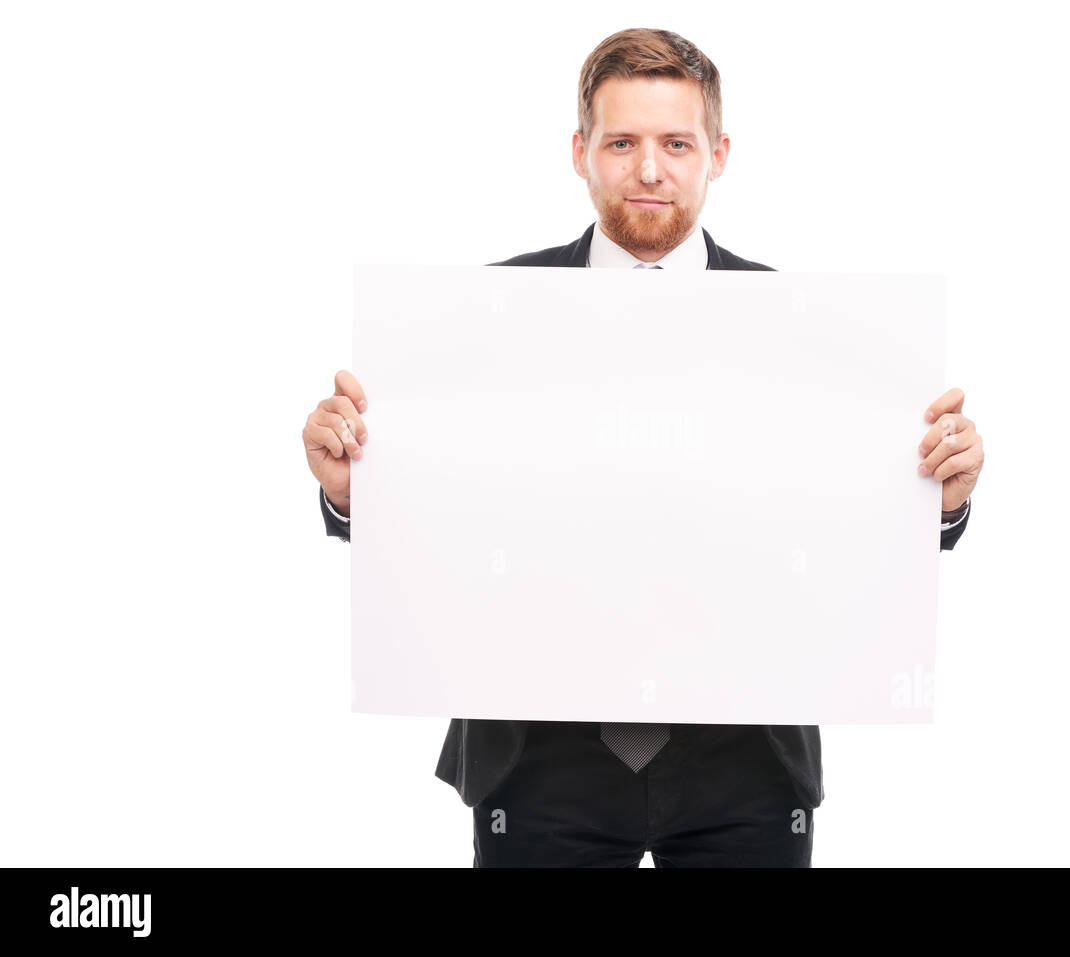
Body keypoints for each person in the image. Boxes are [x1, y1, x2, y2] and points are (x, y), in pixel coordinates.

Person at [301, 27, 985, 867]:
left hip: (746, 758)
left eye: (675, 143)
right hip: (540, 754)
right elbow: (435, 517)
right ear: (580, 151)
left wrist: (943, 499)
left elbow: (861, 531)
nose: (649, 169)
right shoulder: (483, 318)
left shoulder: (809, 329)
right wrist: (349, 487)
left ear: (718, 154)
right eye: (622, 142)